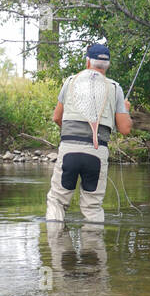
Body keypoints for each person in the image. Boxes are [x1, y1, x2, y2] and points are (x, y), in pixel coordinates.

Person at [46, 42, 132, 225]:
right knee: (92, 208)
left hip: (69, 149)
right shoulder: (115, 88)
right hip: (96, 152)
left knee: (57, 202)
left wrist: (70, 136)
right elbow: (125, 129)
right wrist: (126, 110)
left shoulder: (70, 82)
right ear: (108, 65)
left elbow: (56, 117)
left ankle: (56, 242)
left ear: (87, 62)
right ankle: (93, 248)